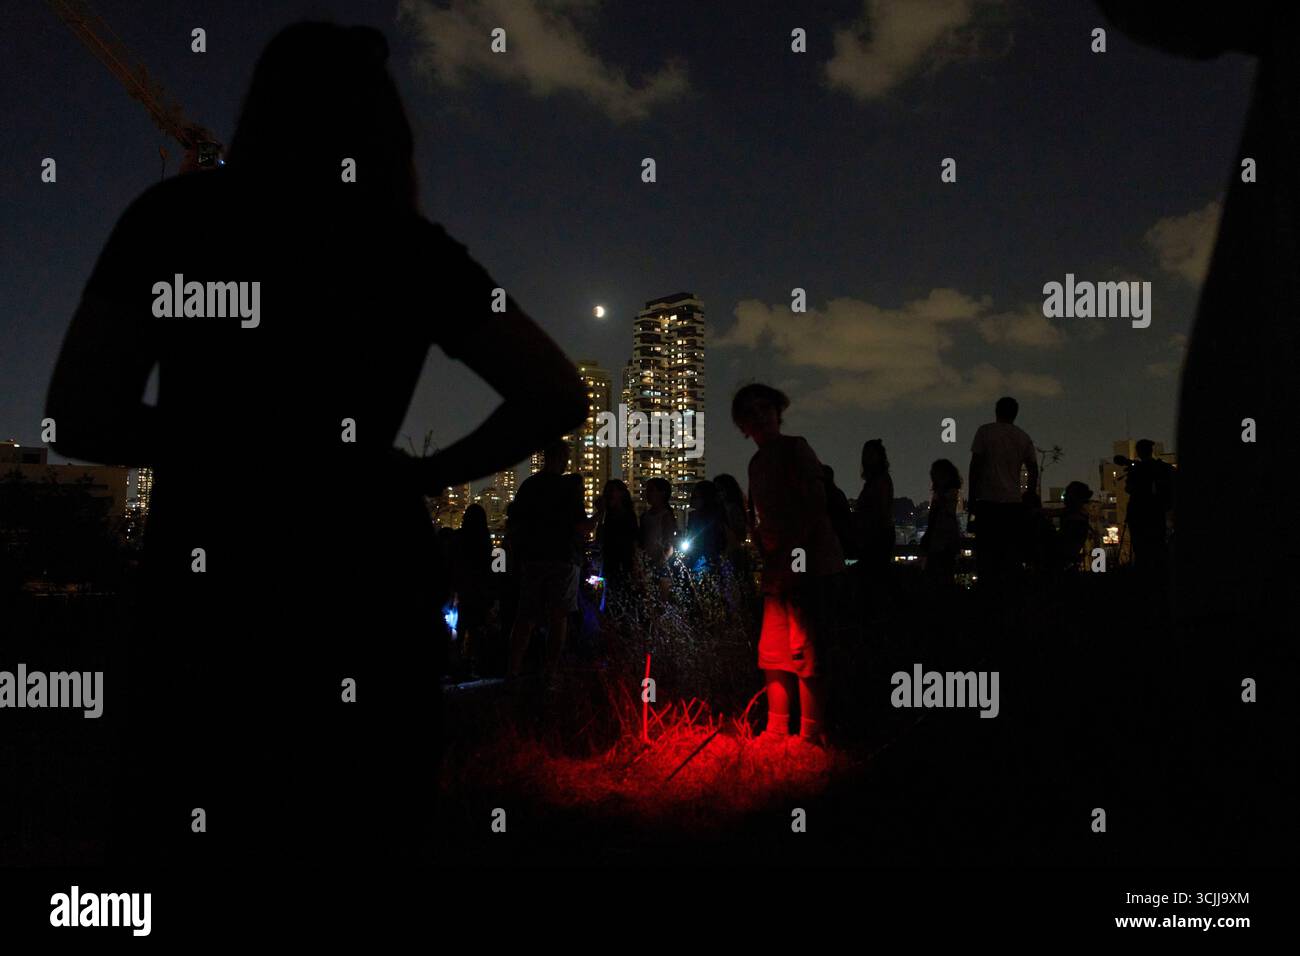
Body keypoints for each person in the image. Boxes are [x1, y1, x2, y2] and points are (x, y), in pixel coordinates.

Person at [43, 22, 587, 867]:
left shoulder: (175, 219)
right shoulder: (408, 249)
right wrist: (417, 472)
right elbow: (556, 392)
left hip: (210, 587)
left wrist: (224, 443)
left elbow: (77, 410)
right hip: (364, 586)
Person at [732, 383, 844, 750]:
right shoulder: (757, 462)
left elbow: (814, 505)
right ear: (743, 425)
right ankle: (777, 729)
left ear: (778, 412)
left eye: (765, 408)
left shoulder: (795, 448)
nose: (760, 417)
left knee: (806, 648)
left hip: (808, 563)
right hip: (778, 567)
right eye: (751, 413)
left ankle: (811, 733)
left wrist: (791, 556)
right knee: (774, 649)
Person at [506, 440, 588, 681]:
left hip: (533, 558)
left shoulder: (529, 485)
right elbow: (580, 525)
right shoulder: (568, 487)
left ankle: (513, 669)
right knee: (558, 616)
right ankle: (550, 671)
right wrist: (600, 511)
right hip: (563, 558)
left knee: (526, 617)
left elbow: (514, 524)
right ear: (562, 458)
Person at [968, 397, 1039, 593]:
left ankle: (988, 597)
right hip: (1013, 504)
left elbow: (975, 467)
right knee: (1010, 555)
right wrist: (1029, 495)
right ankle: (1010, 598)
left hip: (987, 501)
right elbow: (1033, 469)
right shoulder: (1023, 437)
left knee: (986, 555)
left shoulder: (985, 432)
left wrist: (972, 499)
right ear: (1015, 414)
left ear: (996, 411)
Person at [1123, 440, 1175, 584]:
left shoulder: (1139, 469)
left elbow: (1129, 489)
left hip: (1140, 513)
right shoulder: (1161, 467)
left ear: (1139, 452)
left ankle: (1145, 578)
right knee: (1157, 546)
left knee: (1142, 549)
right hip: (1155, 512)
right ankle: (1158, 577)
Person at [451, 503, 493, 680]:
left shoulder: (458, 538)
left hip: (463, 589)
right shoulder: (485, 540)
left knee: (459, 628)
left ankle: (454, 664)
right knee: (476, 629)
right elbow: (492, 568)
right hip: (480, 591)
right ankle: (471, 664)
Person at [855, 439, 895, 582]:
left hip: (877, 535)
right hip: (879, 534)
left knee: (873, 578)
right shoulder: (880, 480)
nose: (867, 458)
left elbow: (880, 510)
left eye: (870, 454)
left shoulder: (879, 480)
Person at [921, 459, 962, 591]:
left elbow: (938, 514)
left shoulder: (945, 494)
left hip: (942, 537)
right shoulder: (952, 492)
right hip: (945, 537)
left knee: (937, 574)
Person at [593, 478, 638, 598]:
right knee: (604, 596)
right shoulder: (608, 515)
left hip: (622, 563)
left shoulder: (627, 516)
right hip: (607, 562)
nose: (608, 494)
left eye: (612, 491)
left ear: (621, 494)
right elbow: (599, 538)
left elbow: (633, 542)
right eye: (607, 491)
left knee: (620, 596)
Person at [685, 479, 728, 570]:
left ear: (706, 499)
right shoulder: (693, 516)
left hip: (707, 561)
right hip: (695, 559)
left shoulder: (713, 519)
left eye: (695, 497)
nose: (691, 500)